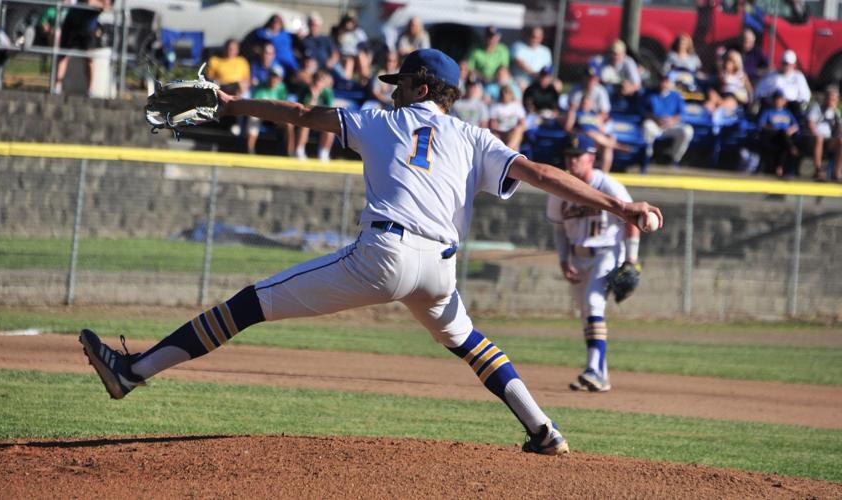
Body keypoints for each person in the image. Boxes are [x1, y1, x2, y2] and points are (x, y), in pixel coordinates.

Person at [79, 48, 661, 457]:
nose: (392, 89)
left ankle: (132, 372)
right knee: (469, 342)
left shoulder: (381, 120)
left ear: (422, 88)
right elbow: (542, 174)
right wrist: (623, 208)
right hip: (440, 269)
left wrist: (233, 105)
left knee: (251, 302)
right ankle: (542, 430)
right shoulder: (475, 137)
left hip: (384, 254)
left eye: (401, 82)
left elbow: (302, 115)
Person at [546, 134, 642, 393]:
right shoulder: (560, 187)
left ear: (591, 158)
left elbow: (632, 218)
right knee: (586, 315)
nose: (572, 160)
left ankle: (591, 370)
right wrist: (563, 260)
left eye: (578, 156)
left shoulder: (607, 184)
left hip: (607, 252)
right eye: (569, 155)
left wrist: (631, 259)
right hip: (578, 255)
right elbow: (559, 229)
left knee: (593, 303)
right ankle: (601, 375)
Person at [53, 0, 112, 95]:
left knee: (89, 59)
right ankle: (57, 87)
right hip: (71, 25)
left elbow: (106, 6)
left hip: (88, 28)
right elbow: (89, 2)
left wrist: (100, 4)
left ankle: (90, 90)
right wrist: (99, 4)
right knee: (64, 56)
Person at [642, 72, 694, 167]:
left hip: (671, 126)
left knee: (687, 130)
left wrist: (672, 120)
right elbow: (643, 111)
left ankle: (673, 158)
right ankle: (646, 156)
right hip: (655, 125)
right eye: (662, 80)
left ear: (671, 82)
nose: (664, 83)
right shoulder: (650, 93)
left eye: (667, 81)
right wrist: (656, 119)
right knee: (647, 125)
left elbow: (682, 114)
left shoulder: (676, 95)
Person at [247, 65, 295, 155]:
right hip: (261, 115)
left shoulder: (282, 88)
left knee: (289, 124)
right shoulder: (259, 87)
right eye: (272, 76)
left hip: (276, 117)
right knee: (253, 118)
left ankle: (290, 152)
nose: (273, 79)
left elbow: (284, 106)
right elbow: (254, 105)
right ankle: (249, 150)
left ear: (280, 79)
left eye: (276, 77)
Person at [755, 50, 810, 118]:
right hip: (771, 106)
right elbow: (759, 91)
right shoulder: (771, 75)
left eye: (789, 64)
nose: (787, 66)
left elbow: (805, 96)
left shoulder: (798, 77)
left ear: (794, 65)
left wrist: (786, 101)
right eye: (785, 63)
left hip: (791, 108)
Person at [294, 69, 335, 161]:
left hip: (321, 119)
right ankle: (299, 151)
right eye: (316, 81)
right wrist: (314, 96)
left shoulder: (327, 92)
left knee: (331, 129)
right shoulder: (306, 90)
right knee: (304, 125)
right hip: (306, 117)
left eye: (321, 81)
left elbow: (330, 109)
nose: (318, 84)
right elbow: (306, 109)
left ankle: (324, 153)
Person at [758, 89, 800, 177]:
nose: (778, 101)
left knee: (784, 139)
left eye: (780, 99)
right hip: (772, 136)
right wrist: (772, 128)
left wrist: (790, 130)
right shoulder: (768, 111)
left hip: (785, 137)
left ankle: (779, 167)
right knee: (782, 133)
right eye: (776, 99)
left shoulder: (787, 113)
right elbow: (761, 124)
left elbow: (796, 126)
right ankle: (792, 148)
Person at [806, 86, 842, 181]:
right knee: (819, 138)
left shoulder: (836, 113)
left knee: (841, 141)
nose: (831, 101)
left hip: (829, 140)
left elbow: (838, 131)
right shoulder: (817, 108)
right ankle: (818, 171)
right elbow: (810, 123)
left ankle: (837, 173)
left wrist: (836, 116)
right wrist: (816, 133)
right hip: (813, 138)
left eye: (834, 99)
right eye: (829, 98)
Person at [488, 84, 526, 150]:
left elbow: (523, 123)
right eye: (504, 94)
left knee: (518, 131)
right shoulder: (495, 107)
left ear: (511, 95)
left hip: (512, 132)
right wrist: (502, 132)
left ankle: (508, 150)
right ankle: (509, 151)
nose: (506, 96)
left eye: (508, 94)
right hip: (499, 133)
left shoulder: (517, 106)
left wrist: (513, 130)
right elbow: (492, 125)